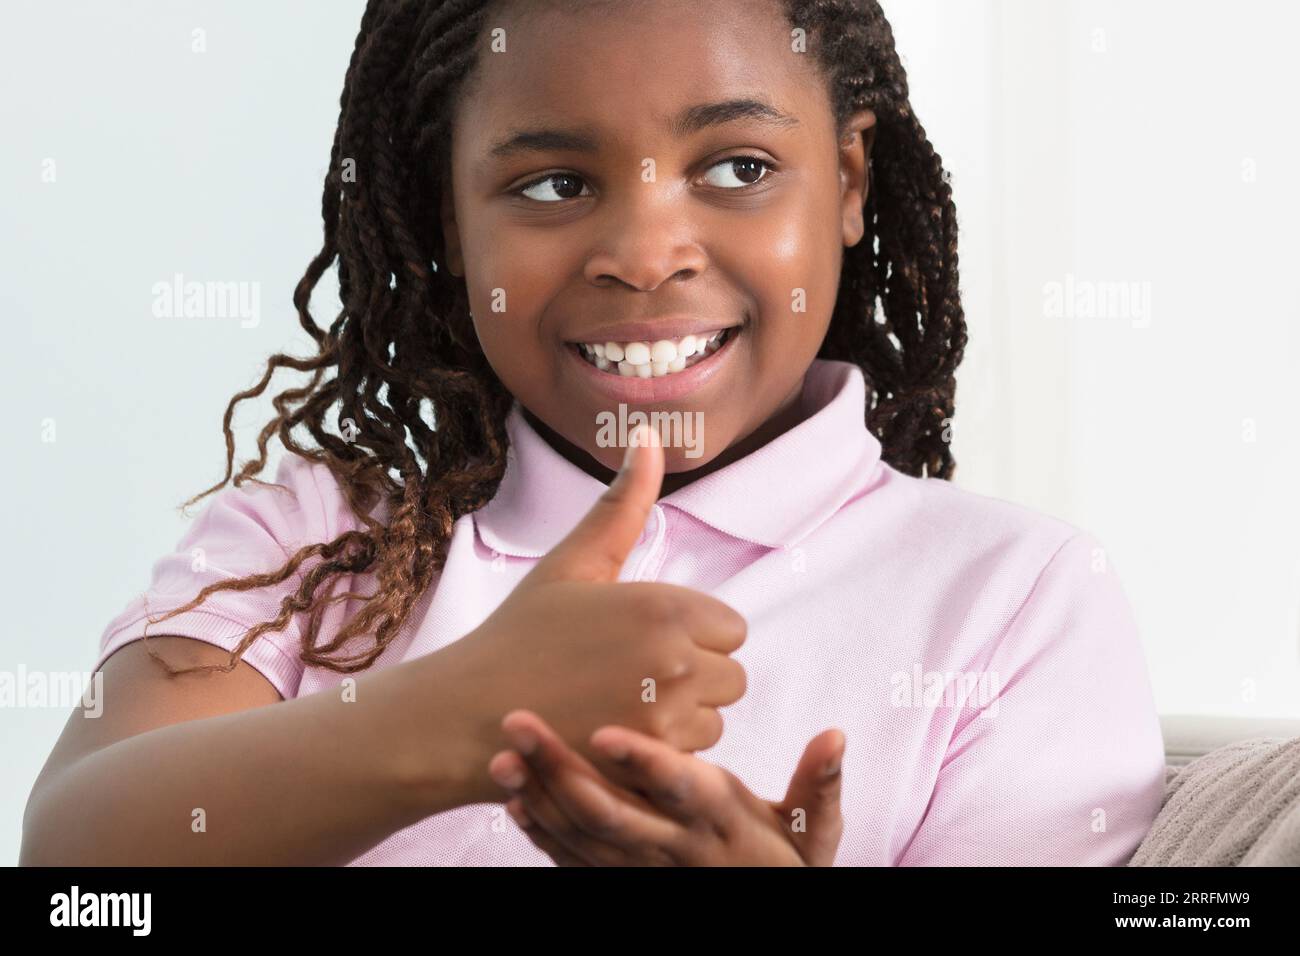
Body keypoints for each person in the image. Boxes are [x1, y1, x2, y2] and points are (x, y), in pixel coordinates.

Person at [20, 0, 1165, 866]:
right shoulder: (320, 538)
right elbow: (76, 856)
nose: (646, 248)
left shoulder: (1010, 598)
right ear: (449, 219)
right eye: (556, 182)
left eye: (738, 167)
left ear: (851, 179)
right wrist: (461, 710)